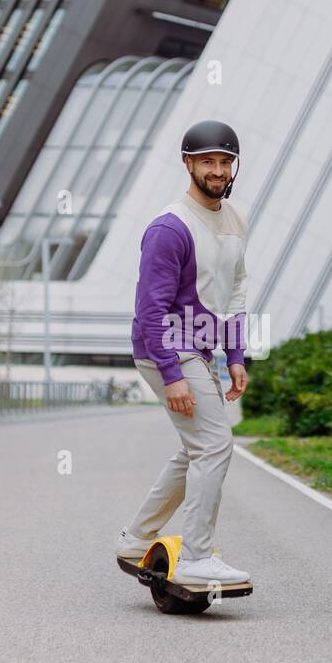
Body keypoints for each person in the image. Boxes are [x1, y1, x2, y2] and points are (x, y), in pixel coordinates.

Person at [115, 120, 252, 585]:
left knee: (196, 447)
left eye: (224, 161)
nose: (217, 170)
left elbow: (235, 290)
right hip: (166, 348)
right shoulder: (169, 228)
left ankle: (137, 538)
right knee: (214, 444)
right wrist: (172, 375)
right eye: (207, 161)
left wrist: (235, 355)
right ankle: (195, 558)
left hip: (201, 347)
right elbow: (150, 310)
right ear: (188, 164)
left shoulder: (235, 220)